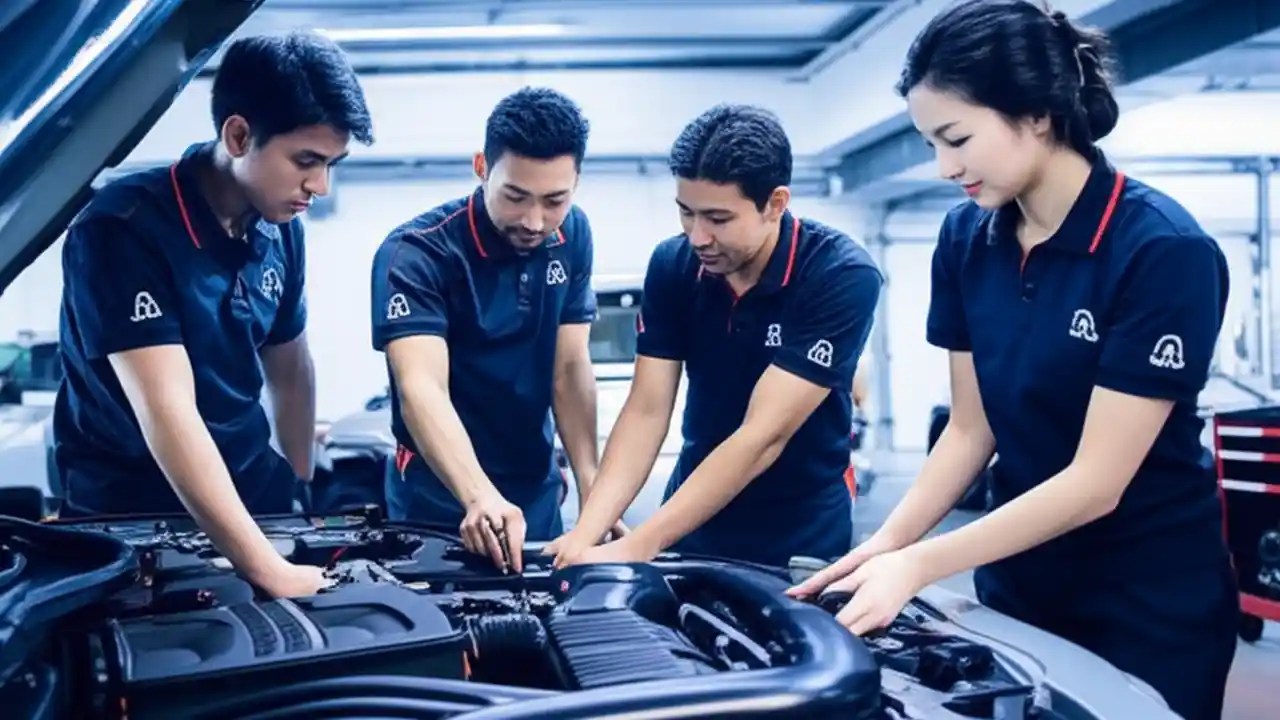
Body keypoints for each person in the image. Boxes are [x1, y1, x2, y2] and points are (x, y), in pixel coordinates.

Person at [786, 3, 1238, 718]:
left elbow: (1096, 482)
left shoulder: (1161, 251)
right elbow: (972, 429)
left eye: (956, 138)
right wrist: (885, 545)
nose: (942, 167)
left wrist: (923, 563)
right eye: (930, 142)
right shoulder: (967, 238)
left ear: (1036, 114)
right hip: (1020, 590)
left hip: (1148, 602)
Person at [53, 32, 374, 598]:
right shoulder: (121, 229)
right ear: (239, 134)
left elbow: (291, 367)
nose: (320, 187)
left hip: (254, 492)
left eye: (333, 164)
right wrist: (266, 569)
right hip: (134, 514)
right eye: (306, 161)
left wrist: (299, 484)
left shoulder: (280, 231)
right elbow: (167, 412)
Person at [548, 104, 883, 569]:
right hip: (691, 518)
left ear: (775, 204)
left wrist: (641, 544)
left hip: (800, 531)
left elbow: (763, 435)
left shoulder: (839, 274)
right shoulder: (673, 265)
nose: (698, 236)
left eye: (718, 219)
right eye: (686, 213)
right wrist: (588, 533)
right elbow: (647, 410)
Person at [370, 87, 618, 573]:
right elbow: (422, 388)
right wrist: (478, 495)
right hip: (439, 495)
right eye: (515, 196)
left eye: (554, 200)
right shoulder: (415, 254)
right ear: (482, 166)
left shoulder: (573, 235)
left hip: (534, 487)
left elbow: (568, 369)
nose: (534, 220)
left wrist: (594, 486)